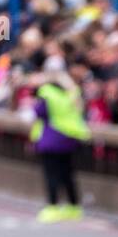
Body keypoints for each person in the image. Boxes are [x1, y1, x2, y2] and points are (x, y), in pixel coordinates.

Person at [29, 67, 91, 223]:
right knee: (67, 174)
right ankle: (74, 206)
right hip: (69, 138)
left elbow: (39, 112)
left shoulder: (47, 93)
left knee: (51, 174)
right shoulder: (73, 92)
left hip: (51, 138)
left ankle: (53, 206)